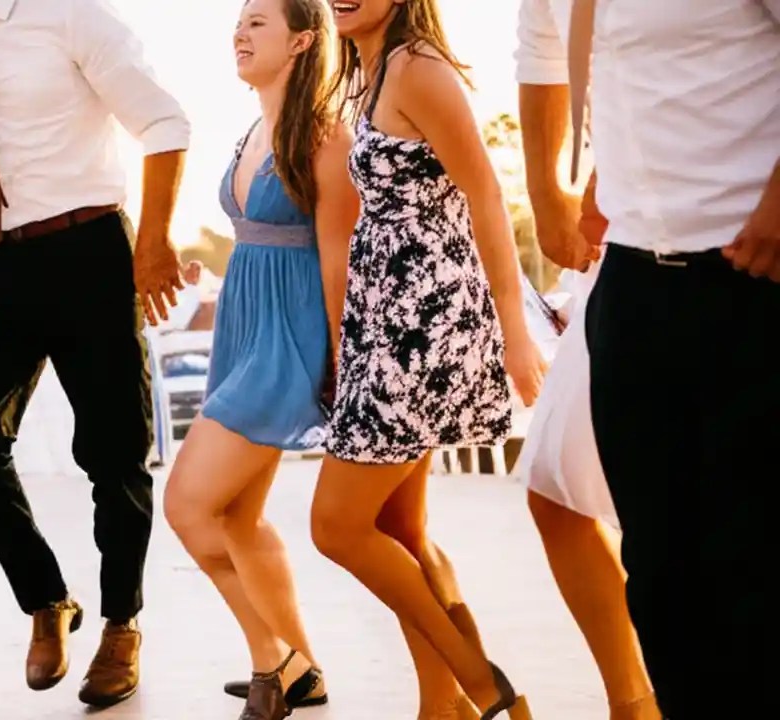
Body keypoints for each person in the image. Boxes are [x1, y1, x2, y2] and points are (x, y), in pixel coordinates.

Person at [0, 0, 190, 707]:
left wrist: (153, 243)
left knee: (114, 452)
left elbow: (164, 123)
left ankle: (121, 624)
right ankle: (46, 599)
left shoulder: (71, 15)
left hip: (88, 250)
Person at [310, 1, 547, 718]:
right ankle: (442, 705)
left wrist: (514, 331)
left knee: (337, 526)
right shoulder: (369, 72)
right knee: (399, 532)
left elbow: (485, 193)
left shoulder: (417, 68)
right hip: (388, 325)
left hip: (426, 329)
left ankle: (480, 681)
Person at [568, 1, 780, 716]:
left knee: (751, 559)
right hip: (632, 283)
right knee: (657, 569)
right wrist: (610, 175)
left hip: (750, 276)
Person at [162, 0, 355, 718]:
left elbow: (336, 254)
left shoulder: (325, 134)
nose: (239, 33)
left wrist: (339, 359)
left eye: (259, 22)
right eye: (239, 21)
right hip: (243, 331)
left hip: (290, 338)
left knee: (186, 504)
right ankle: (293, 666)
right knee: (237, 517)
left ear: (304, 39)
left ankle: (278, 658)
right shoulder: (251, 129)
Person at [510, 1, 657, 717]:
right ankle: (633, 701)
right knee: (554, 483)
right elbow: (540, 61)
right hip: (624, 244)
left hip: (733, 228)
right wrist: (547, 194)